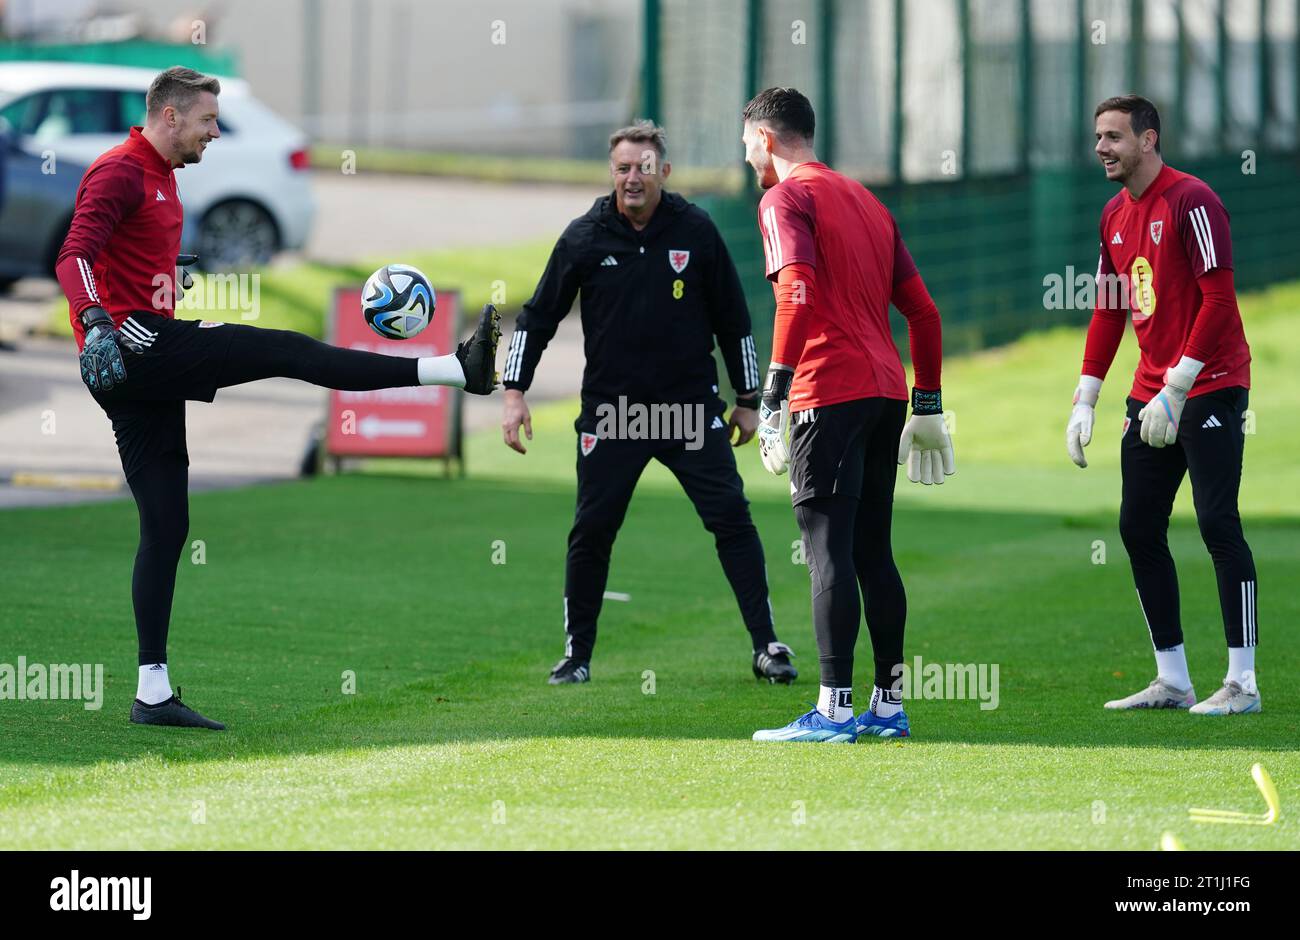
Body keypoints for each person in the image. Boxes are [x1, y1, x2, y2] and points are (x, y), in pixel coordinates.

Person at [57, 66, 501, 730]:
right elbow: (74, 255)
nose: (215, 132)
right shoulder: (119, 169)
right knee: (290, 350)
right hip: (131, 345)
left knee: (167, 525)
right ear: (171, 116)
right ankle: (455, 369)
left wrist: (161, 272)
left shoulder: (165, 178)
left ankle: (152, 692)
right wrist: (95, 321)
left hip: (137, 357)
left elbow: (122, 253)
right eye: (209, 120)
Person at [501, 120, 798, 686]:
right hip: (612, 417)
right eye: (621, 168)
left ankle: (767, 646)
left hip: (689, 412)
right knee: (592, 530)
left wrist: (748, 400)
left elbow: (734, 322)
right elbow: (536, 319)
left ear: (664, 171)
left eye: (642, 167)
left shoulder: (698, 231)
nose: (631, 178)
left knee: (732, 520)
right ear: (611, 172)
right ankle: (577, 655)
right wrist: (514, 392)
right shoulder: (584, 237)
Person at [741, 88, 953, 743]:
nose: (747, 155)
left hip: (825, 389)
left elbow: (796, 294)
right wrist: (929, 403)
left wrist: (772, 396)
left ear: (767, 139)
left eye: (748, 142)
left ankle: (833, 712)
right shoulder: (867, 200)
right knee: (872, 553)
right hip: (886, 391)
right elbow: (923, 312)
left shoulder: (783, 198)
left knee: (826, 550)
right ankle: (888, 709)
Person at [1066, 95, 1258, 716]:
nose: (1102, 147)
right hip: (1150, 394)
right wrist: (1086, 397)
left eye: (1114, 137)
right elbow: (1109, 310)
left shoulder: (1193, 200)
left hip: (1210, 383)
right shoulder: (1112, 216)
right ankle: (1173, 680)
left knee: (1217, 523)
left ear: (1148, 139)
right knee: (1138, 527)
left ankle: (1243, 684)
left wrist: (1177, 386)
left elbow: (1220, 301)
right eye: (1098, 136)